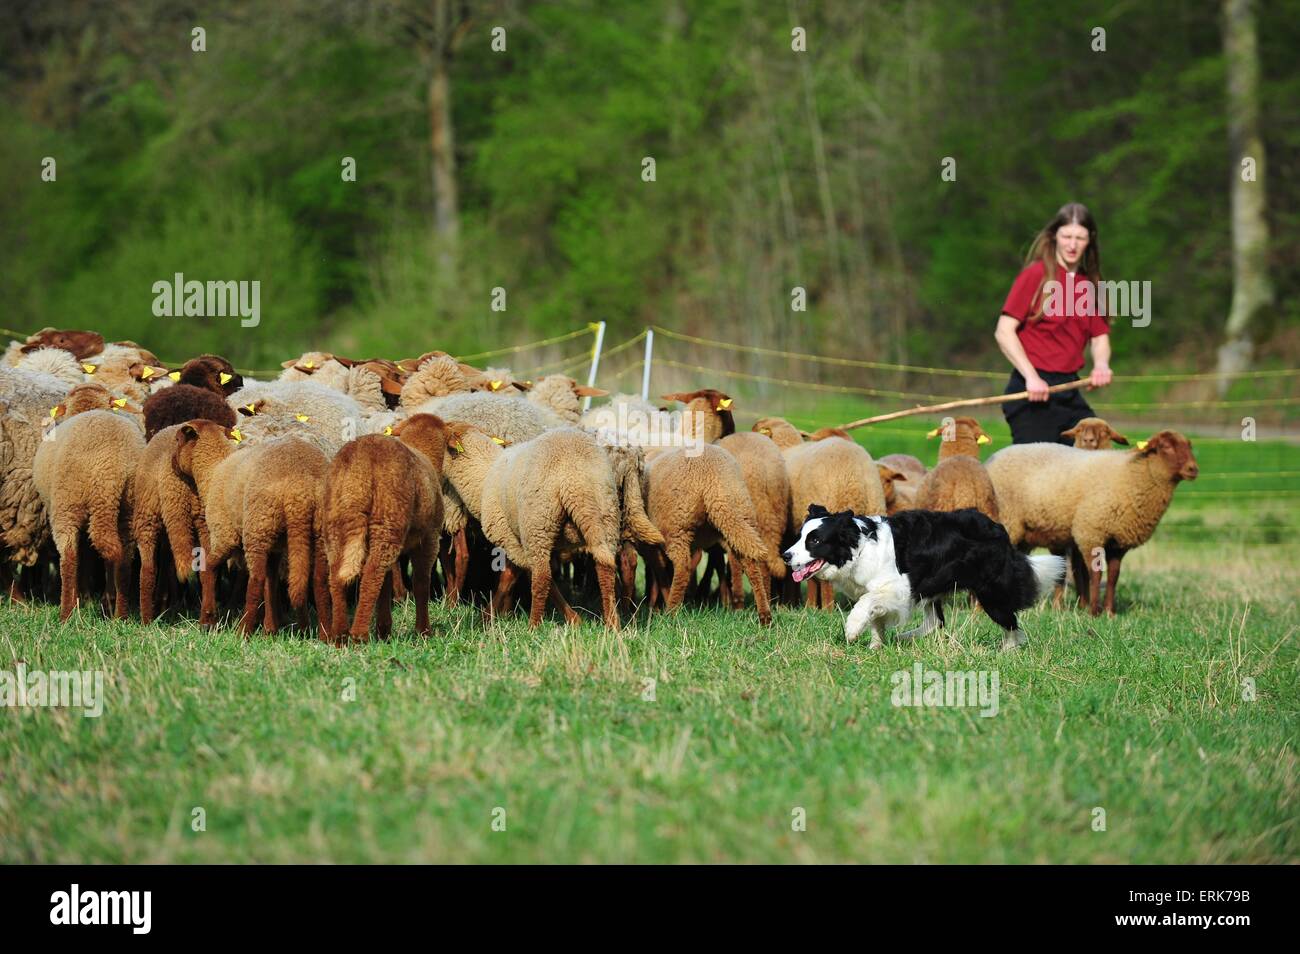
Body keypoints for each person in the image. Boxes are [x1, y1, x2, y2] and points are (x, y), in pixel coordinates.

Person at [994, 202, 1113, 445]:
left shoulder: (1090, 283)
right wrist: (1031, 377)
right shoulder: (1035, 275)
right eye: (1066, 236)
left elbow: (1099, 336)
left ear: (1089, 240)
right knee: (1038, 477)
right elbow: (1004, 331)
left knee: (1097, 454)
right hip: (1031, 394)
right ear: (1054, 237)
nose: (1072, 244)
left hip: (1068, 392)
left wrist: (1101, 365)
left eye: (1079, 238)